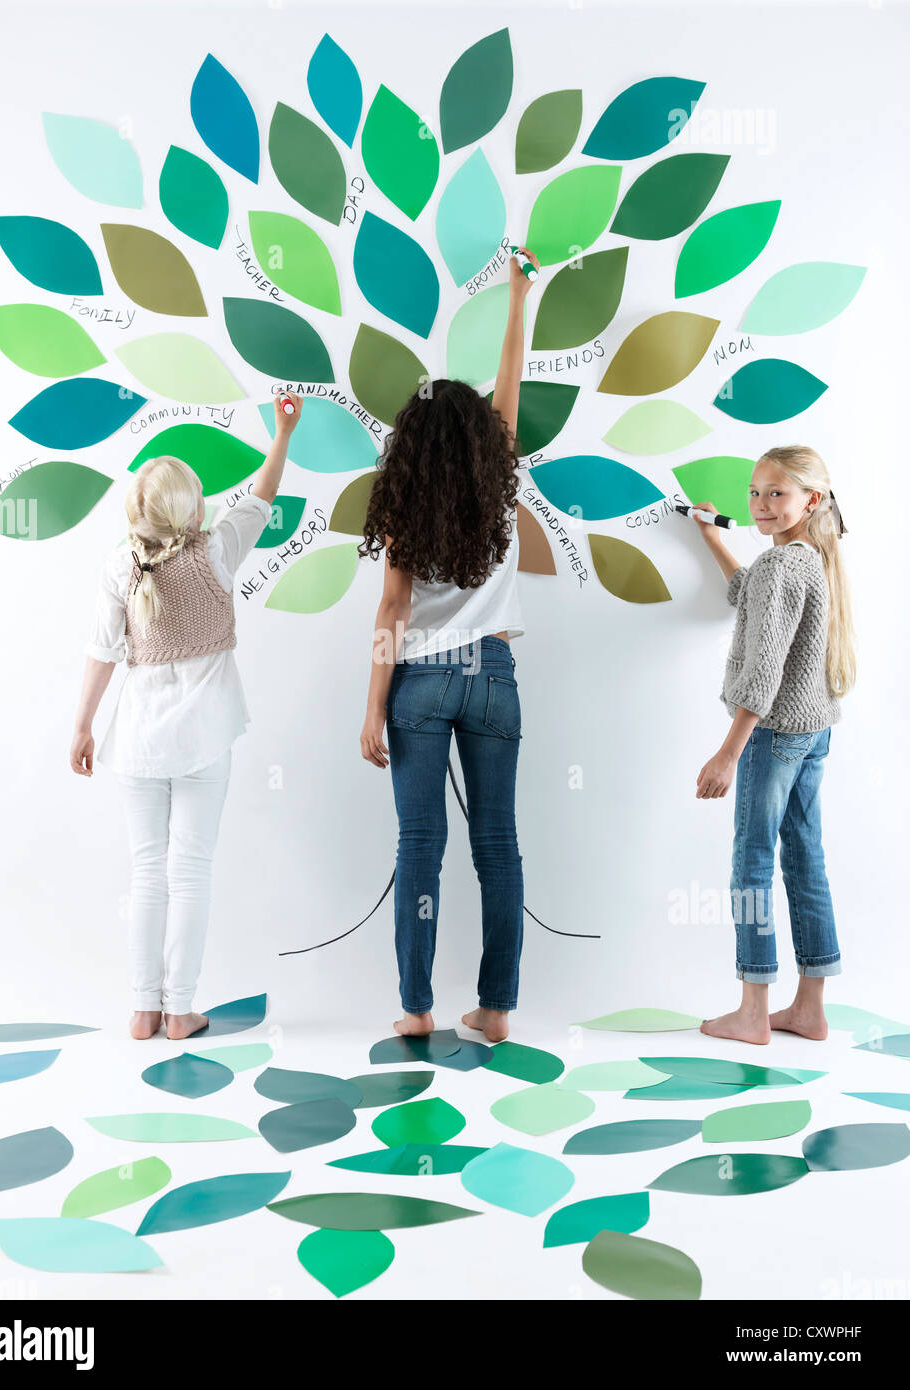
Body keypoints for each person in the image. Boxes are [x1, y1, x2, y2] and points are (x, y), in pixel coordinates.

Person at [69, 397, 301, 1039]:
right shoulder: (219, 547)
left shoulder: (122, 563)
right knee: (190, 869)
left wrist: (83, 726)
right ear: (193, 510)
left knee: (147, 869)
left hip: (138, 742)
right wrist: (282, 432)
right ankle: (180, 1011)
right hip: (205, 740)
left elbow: (101, 652)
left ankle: (143, 1008)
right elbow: (263, 491)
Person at [358, 249, 540, 1044]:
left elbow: (394, 607)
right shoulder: (498, 476)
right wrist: (517, 295)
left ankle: (416, 1008)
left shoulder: (405, 509)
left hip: (423, 685)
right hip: (493, 676)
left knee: (419, 848)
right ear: (475, 437)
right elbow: (511, 382)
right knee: (497, 845)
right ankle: (496, 1011)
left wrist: (372, 709)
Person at [694, 445, 855, 1044]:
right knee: (804, 858)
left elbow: (762, 673)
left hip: (773, 734)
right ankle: (809, 1008)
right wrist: (711, 537)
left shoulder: (784, 567)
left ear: (811, 500)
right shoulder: (805, 560)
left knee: (752, 863)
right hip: (813, 730)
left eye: (776, 494)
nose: (761, 504)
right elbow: (746, 595)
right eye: (755, 492)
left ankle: (753, 1010)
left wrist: (728, 753)